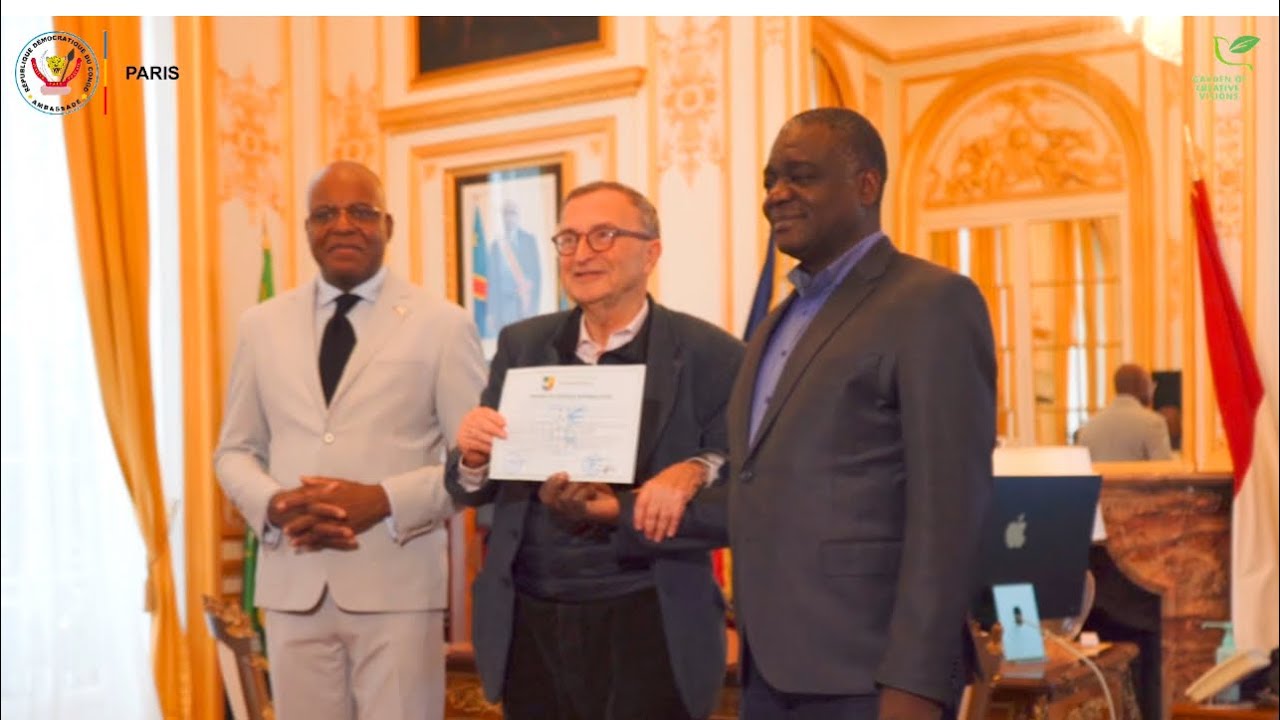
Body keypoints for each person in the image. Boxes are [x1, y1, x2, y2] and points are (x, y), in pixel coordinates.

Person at [727, 108, 996, 719]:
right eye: (770, 179)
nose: (777, 195)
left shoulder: (932, 301)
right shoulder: (776, 323)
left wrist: (916, 684)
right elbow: (758, 489)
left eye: (801, 176)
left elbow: (949, 509)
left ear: (866, 186)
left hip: (872, 680)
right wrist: (624, 507)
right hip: (768, 675)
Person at [444, 180, 744, 720]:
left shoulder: (711, 353)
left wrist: (695, 469)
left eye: (604, 235)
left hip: (651, 617)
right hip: (531, 619)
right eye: (568, 239)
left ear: (651, 252)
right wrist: (473, 455)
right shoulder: (522, 345)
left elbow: (741, 478)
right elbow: (478, 485)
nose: (582, 254)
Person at [215, 161, 487, 720]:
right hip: (293, 583)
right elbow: (235, 451)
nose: (343, 225)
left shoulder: (443, 324)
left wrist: (384, 499)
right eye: (326, 214)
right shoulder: (260, 325)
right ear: (309, 229)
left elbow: (477, 465)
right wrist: (275, 503)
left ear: (387, 225)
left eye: (361, 212)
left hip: (398, 585)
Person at [1076, 364, 1173, 461]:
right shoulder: (1153, 423)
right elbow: (1164, 471)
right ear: (1142, 386)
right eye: (1151, 384)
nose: (1152, 390)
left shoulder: (1089, 426)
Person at [486, 198, 543, 336]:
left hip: (526, 304)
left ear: (518, 216)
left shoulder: (529, 240)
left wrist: (534, 305)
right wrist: (493, 312)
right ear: (502, 217)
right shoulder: (496, 245)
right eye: (506, 214)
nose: (509, 218)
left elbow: (537, 275)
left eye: (513, 213)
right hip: (505, 307)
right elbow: (492, 282)